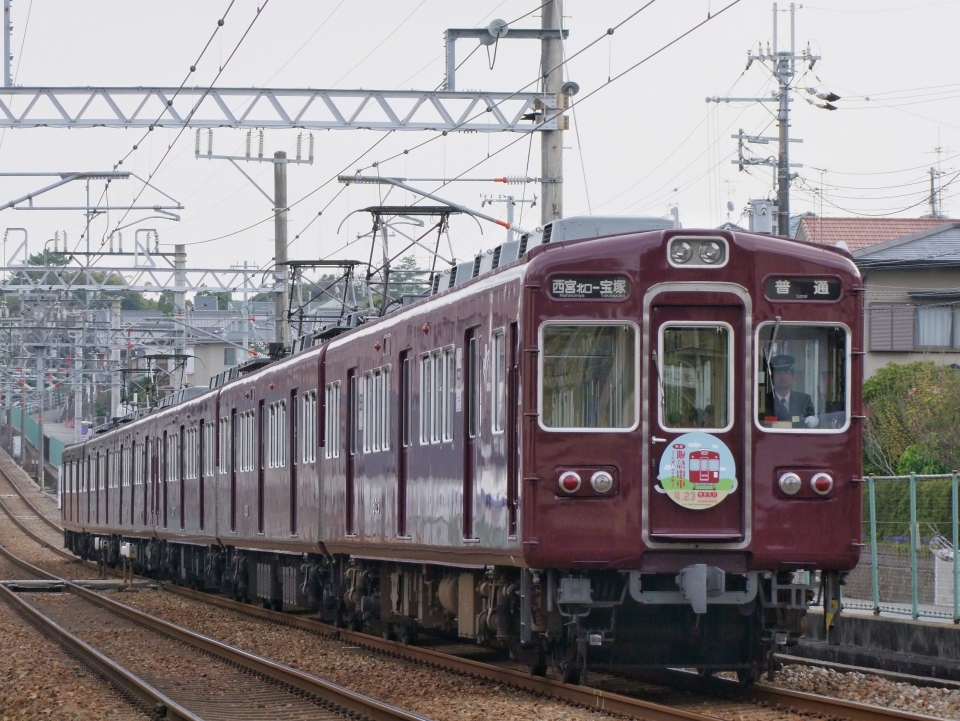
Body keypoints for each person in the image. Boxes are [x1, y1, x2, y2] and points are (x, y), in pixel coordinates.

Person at [766, 355, 818, 428]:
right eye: (778, 374)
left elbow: (810, 419)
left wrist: (813, 420)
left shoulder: (804, 400)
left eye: (786, 373)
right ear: (772, 378)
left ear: (793, 377)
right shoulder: (765, 400)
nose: (783, 377)